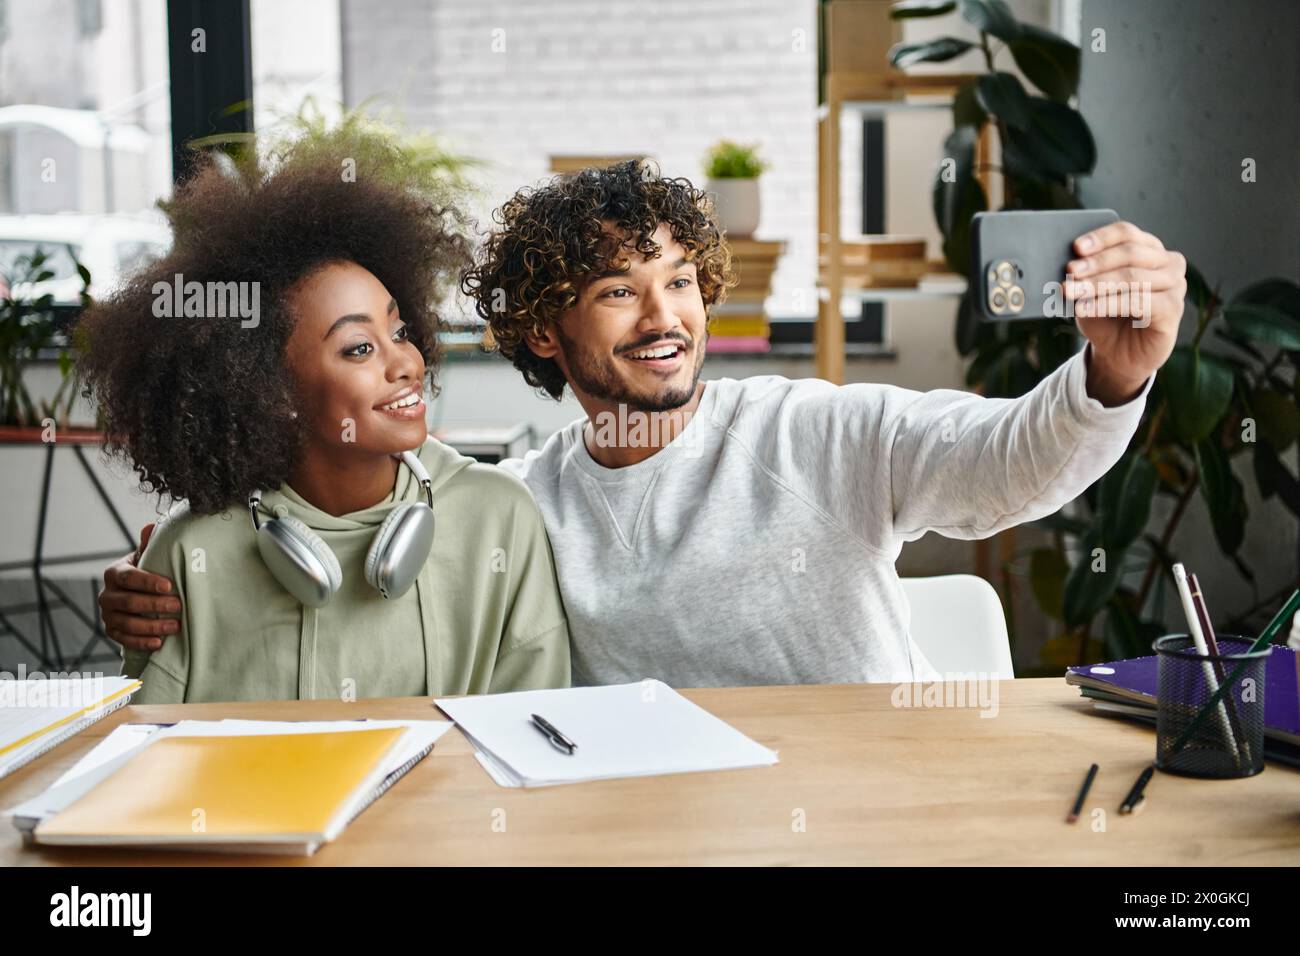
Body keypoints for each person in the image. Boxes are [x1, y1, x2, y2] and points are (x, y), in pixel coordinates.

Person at [103, 159, 1185, 688]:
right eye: (619, 290)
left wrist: (1110, 376)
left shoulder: (814, 432)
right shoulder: (518, 505)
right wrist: (170, 572)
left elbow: (1006, 461)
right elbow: (329, 459)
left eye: (679, 281)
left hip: (864, 817)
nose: (666, 316)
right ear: (540, 331)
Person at [77, 132, 569, 704]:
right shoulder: (192, 551)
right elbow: (150, 753)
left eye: (400, 331)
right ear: (271, 389)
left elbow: (536, 726)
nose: (406, 364)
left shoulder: (499, 518)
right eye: (359, 348)